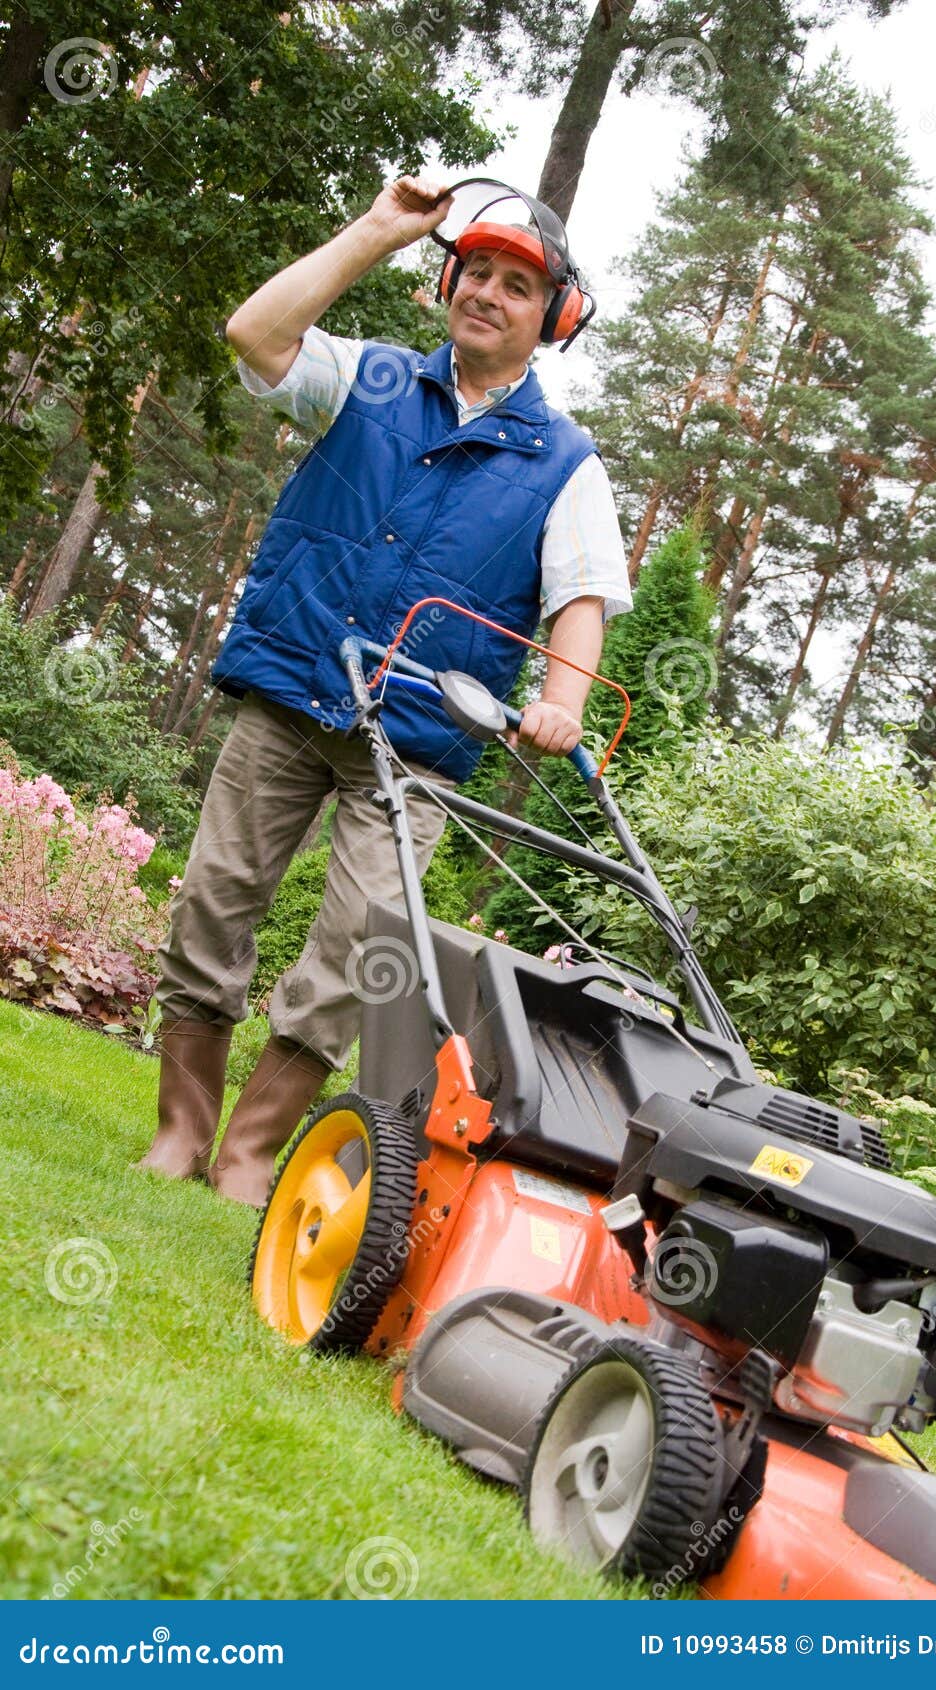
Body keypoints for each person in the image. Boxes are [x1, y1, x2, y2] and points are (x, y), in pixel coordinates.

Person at [136, 174, 633, 1207]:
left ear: (555, 318)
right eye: (475, 272)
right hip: (292, 683)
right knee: (213, 901)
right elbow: (254, 332)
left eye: (517, 284)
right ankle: (181, 1133)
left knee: (363, 948)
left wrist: (563, 704)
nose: (488, 293)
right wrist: (377, 229)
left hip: (415, 740)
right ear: (446, 284)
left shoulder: (566, 460)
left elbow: (579, 598)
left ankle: (248, 1154)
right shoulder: (365, 378)